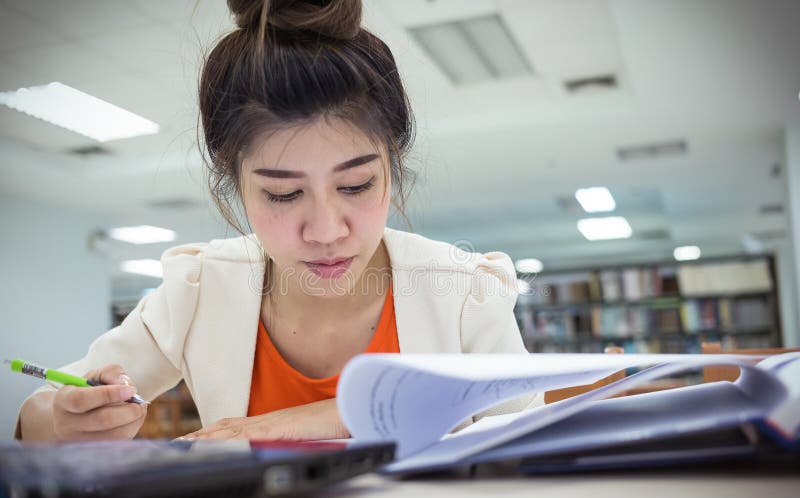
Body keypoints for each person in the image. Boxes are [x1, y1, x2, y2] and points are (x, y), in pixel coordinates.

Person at [16, 0, 539, 442]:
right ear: (235, 181)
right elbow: (36, 414)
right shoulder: (198, 291)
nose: (327, 231)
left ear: (393, 166)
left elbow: (531, 444)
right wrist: (66, 419)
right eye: (283, 194)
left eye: (356, 186)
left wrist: (307, 421)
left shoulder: (464, 292)